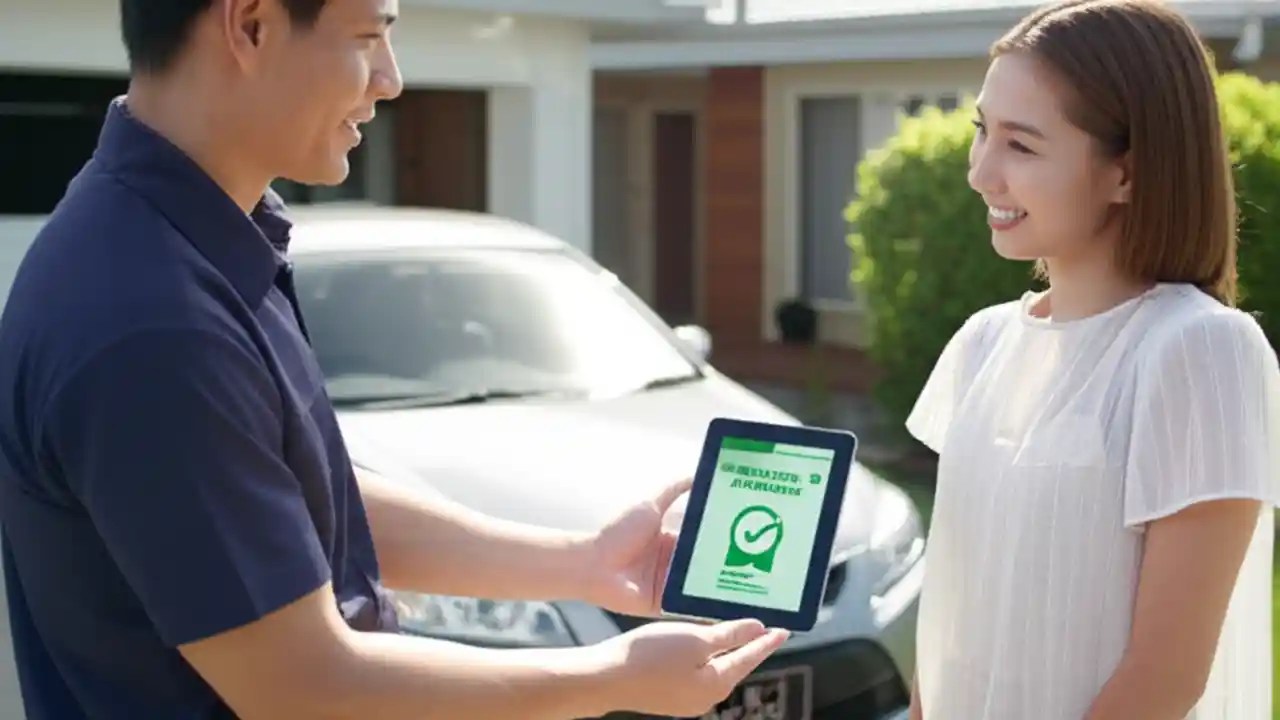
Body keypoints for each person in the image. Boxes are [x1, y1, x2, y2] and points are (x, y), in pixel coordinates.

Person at [0, 1, 789, 718]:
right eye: (369, 36)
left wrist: (583, 563)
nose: (391, 79)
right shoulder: (152, 321)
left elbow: (296, 502)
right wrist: (610, 679)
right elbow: (302, 685)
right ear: (250, 25)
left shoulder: (194, 241)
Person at [905, 1, 1279, 718]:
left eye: (1021, 145)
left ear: (1127, 174)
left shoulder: (1201, 352)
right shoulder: (982, 344)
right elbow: (949, 631)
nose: (981, 173)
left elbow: (1162, 680)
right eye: (982, 132)